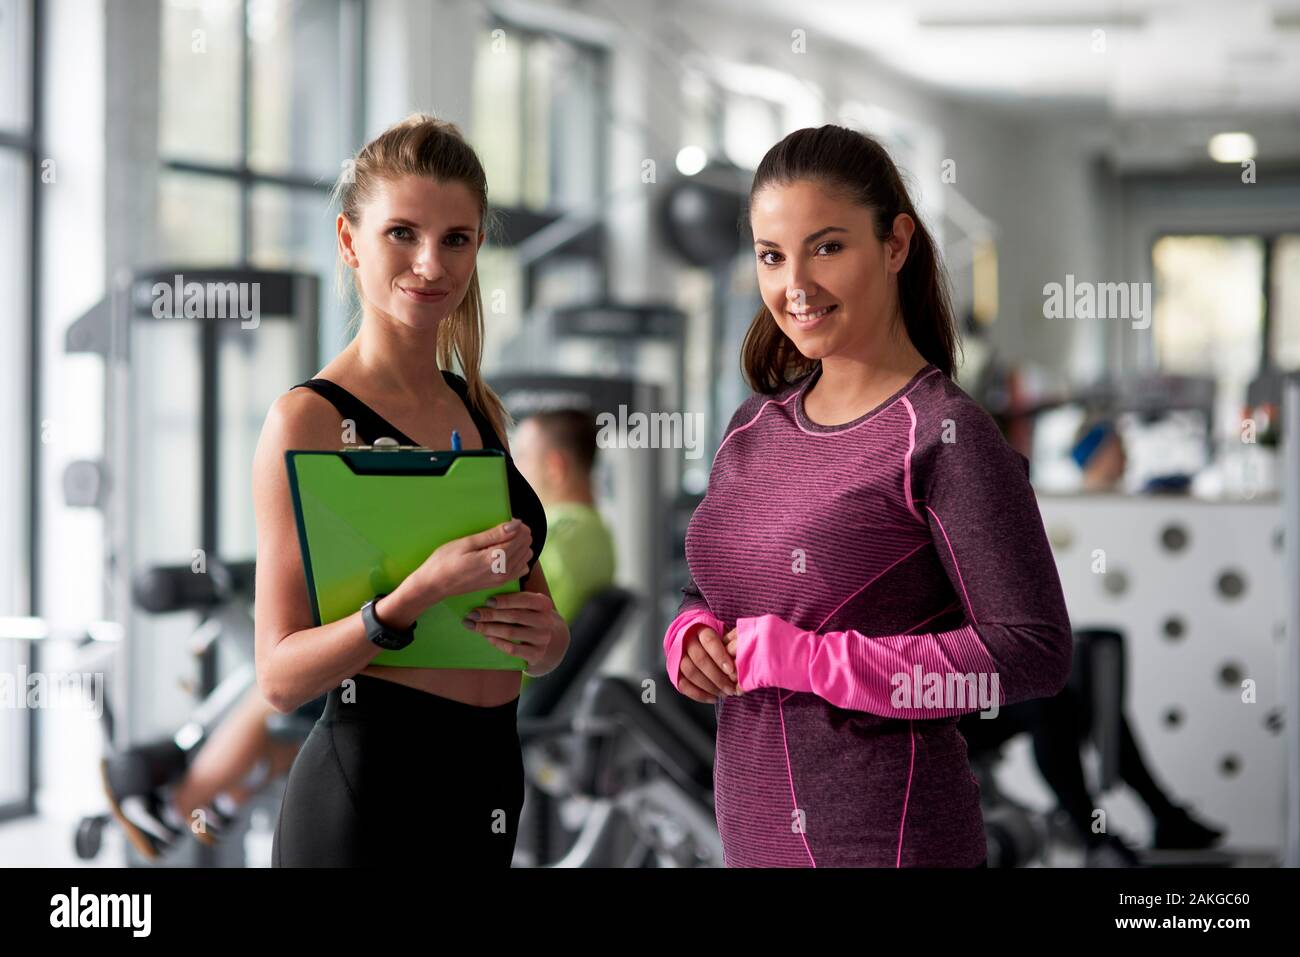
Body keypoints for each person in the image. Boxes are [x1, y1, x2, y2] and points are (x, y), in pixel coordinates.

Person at [663, 124, 1074, 867]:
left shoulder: (945, 434)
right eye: (771, 255)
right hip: (753, 838)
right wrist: (690, 632)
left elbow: (1032, 652)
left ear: (894, 244)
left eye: (827, 247)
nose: (796, 285)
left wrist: (816, 662)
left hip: (886, 840)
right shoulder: (752, 424)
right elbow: (718, 588)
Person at [254, 113, 569, 867]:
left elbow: (541, 624)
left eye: (456, 239)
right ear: (348, 240)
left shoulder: (476, 407)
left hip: (488, 781)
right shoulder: (309, 419)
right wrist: (409, 598)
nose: (431, 264)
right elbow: (278, 676)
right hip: (369, 793)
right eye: (402, 233)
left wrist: (548, 640)